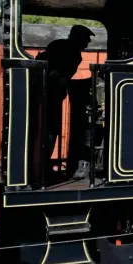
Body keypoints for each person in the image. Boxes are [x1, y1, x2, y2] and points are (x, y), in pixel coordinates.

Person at [36, 25, 95, 162]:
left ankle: (43, 164)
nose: (88, 42)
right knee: (49, 130)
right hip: (48, 95)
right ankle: (42, 164)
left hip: (52, 94)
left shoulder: (63, 47)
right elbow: (58, 74)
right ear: (78, 37)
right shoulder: (69, 52)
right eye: (86, 39)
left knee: (50, 130)